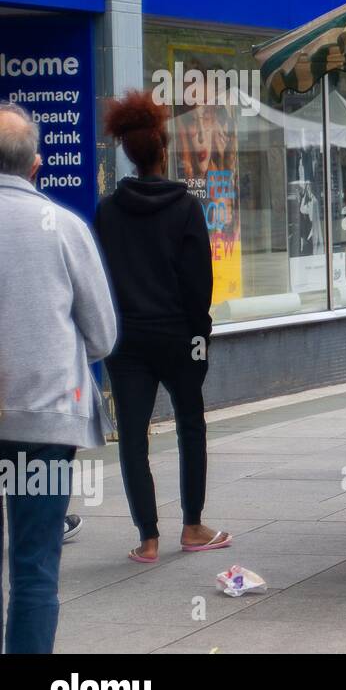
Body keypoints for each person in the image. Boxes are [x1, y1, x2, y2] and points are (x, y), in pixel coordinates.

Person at [0, 101, 117, 653]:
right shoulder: (65, 228)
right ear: (36, 165)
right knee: (34, 568)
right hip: (45, 424)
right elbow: (103, 336)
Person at [95, 91, 229, 563]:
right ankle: (193, 526)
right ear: (163, 150)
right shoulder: (186, 208)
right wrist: (200, 337)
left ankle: (147, 538)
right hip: (179, 337)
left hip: (127, 342)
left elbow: (102, 281)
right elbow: (199, 283)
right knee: (191, 424)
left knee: (133, 437)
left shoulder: (107, 212)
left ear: (128, 153)